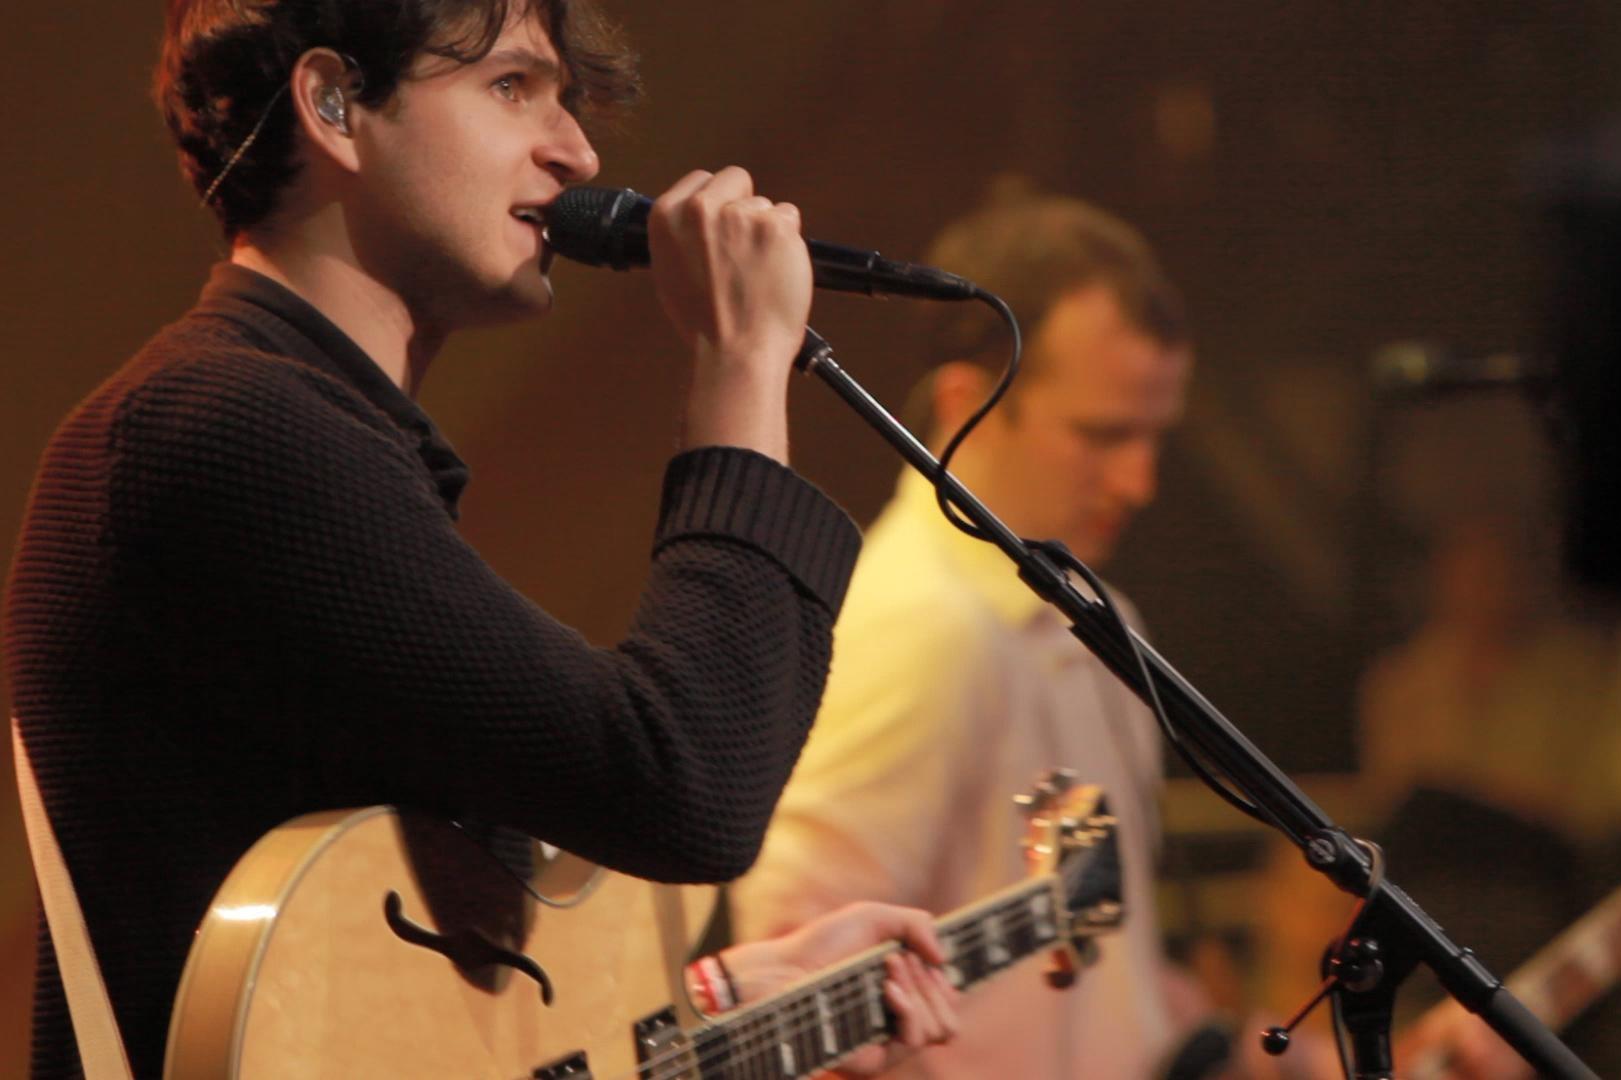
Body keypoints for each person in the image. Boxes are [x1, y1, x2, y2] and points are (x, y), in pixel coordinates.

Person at [0, 1, 960, 1076]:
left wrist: (710, 996)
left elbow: (379, 991)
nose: (578, 151)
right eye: (511, 87)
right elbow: (684, 787)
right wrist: (739, 365)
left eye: (568, 101)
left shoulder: (305, 431)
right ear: (332, 105)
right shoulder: (220, 428)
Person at [730, 190, 1197, 1077]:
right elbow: (795, 965)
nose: (1140, 480)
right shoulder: (922, 624)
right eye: (1104, 435)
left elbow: (1102, 979)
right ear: (965, 403)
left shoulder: (1094, 621)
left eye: (1154, 437)